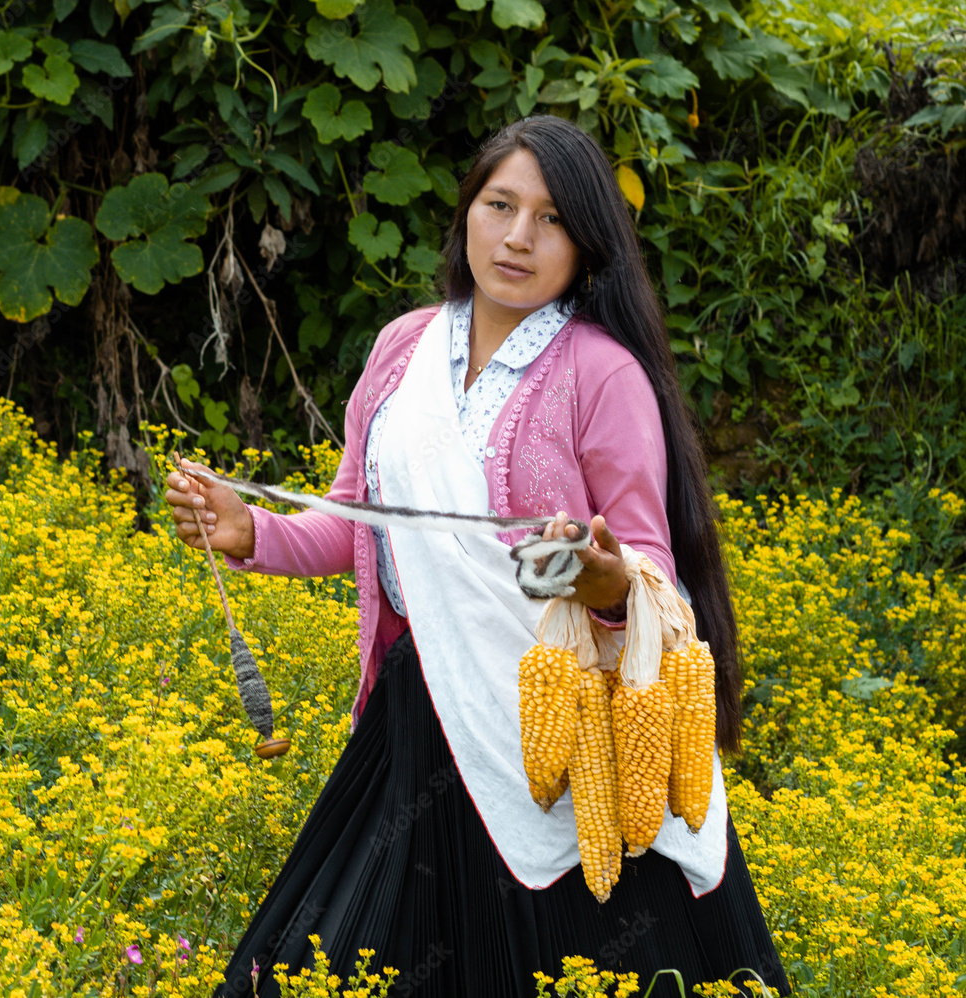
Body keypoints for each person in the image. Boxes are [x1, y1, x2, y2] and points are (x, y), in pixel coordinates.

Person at [166, 115, 791, 998]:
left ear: (587, 246)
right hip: (423, 712)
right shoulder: (402, 351)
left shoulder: (602, 375)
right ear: (468, 213)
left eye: (552, 219)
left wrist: (602, 578)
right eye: (500, 205)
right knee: (350, 959)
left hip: (559, 730)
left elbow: (649, 570)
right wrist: (252, 533)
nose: (519, 236)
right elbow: (365, 526)